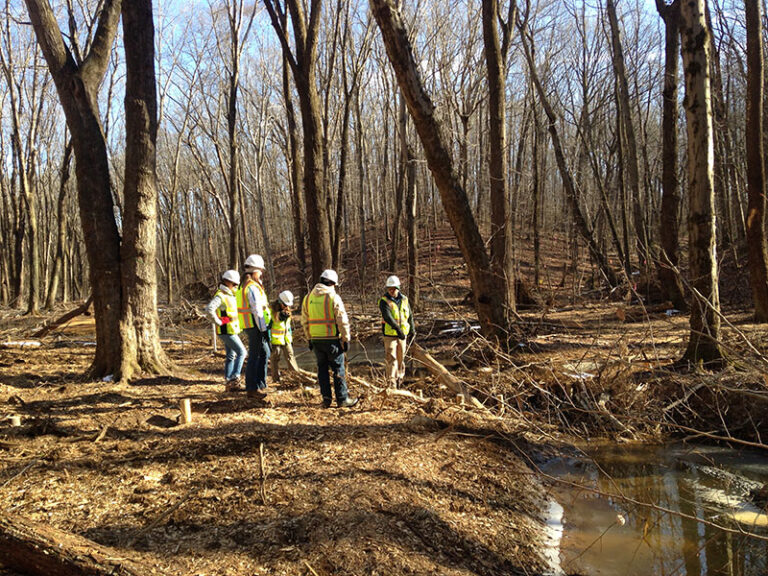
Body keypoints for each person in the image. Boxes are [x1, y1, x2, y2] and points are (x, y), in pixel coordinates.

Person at [301, 269, 358, 408]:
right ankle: (342, 399)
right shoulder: (333, 297)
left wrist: (309, 339)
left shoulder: (308, 298)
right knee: (338, 370)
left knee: (322, 370)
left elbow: (304, 321)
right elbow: (342, 320)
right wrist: (346, 339)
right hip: (332, 340)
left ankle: (326, 399)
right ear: (332, 283)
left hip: (316, 341)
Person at [205, 269, 247, 391]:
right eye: (234, 284)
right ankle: (235, 378)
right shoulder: (221, 295)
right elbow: (209, 309)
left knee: (231, 355)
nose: (235, 286)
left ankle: (229, 380)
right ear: (227, 282)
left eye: (236, 285)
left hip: (230, 329)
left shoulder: (230, 295)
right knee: (242, 352)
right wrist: (218, 322)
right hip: (225, 330)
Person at [237, 254, 271, 398]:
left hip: (251, 325)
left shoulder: (244, 286)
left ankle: (260, 383)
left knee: (264, 353)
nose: (261, 273)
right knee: (255, 356)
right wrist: (263, 329)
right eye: (260, 270)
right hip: (255, 326)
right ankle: (252, 388)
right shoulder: (251, 288)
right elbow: (257, 310)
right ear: (254, 271)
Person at [378, 275, 415, 388]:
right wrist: (398, 330)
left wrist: (412, 329)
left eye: (393, 288)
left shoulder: (404, 300)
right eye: (389, 288)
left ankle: (400, 380)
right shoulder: (384, 301)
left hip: (402, 335)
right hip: (390, 335)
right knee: (391, 358)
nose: (391, 291)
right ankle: (391, 383)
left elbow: (410, 316)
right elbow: (388, 317)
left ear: (398, 288)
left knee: (401, 358)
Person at [270, 290, 300, 383]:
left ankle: (296, 377)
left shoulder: (287, 311)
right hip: (275, 340)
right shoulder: (271, 310)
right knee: (275, 359)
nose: (287, 306)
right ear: (279, 302)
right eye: (285, 304)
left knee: (290, 356)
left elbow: (288, 326)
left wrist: (290, 336)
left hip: (286, 339)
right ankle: (276, 380)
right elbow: (270, 323)